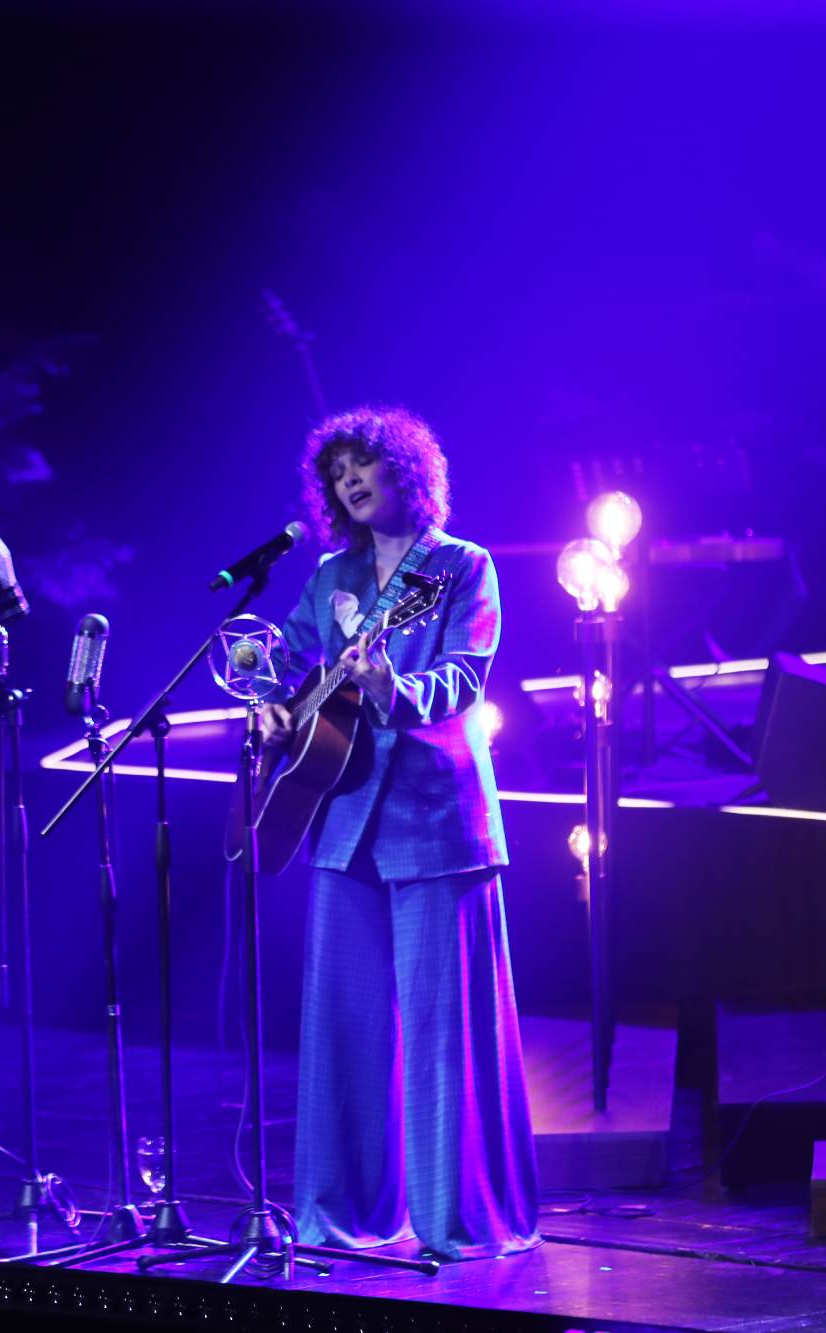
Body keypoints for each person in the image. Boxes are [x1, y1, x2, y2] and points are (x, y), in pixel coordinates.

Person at [260, 405, 540, 1262]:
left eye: (364, 466)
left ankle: (457, 1217)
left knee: (439, 1026)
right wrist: (268, 697)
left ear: (405, 473)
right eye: (337, 471)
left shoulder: (460, 567)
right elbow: (286, 657)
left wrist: (391, 685)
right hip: (342, 818)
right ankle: (339, 1215)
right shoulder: (330, 574)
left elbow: (464, 674)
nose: (349, 480)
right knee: (342, 1025)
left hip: (434, 818)